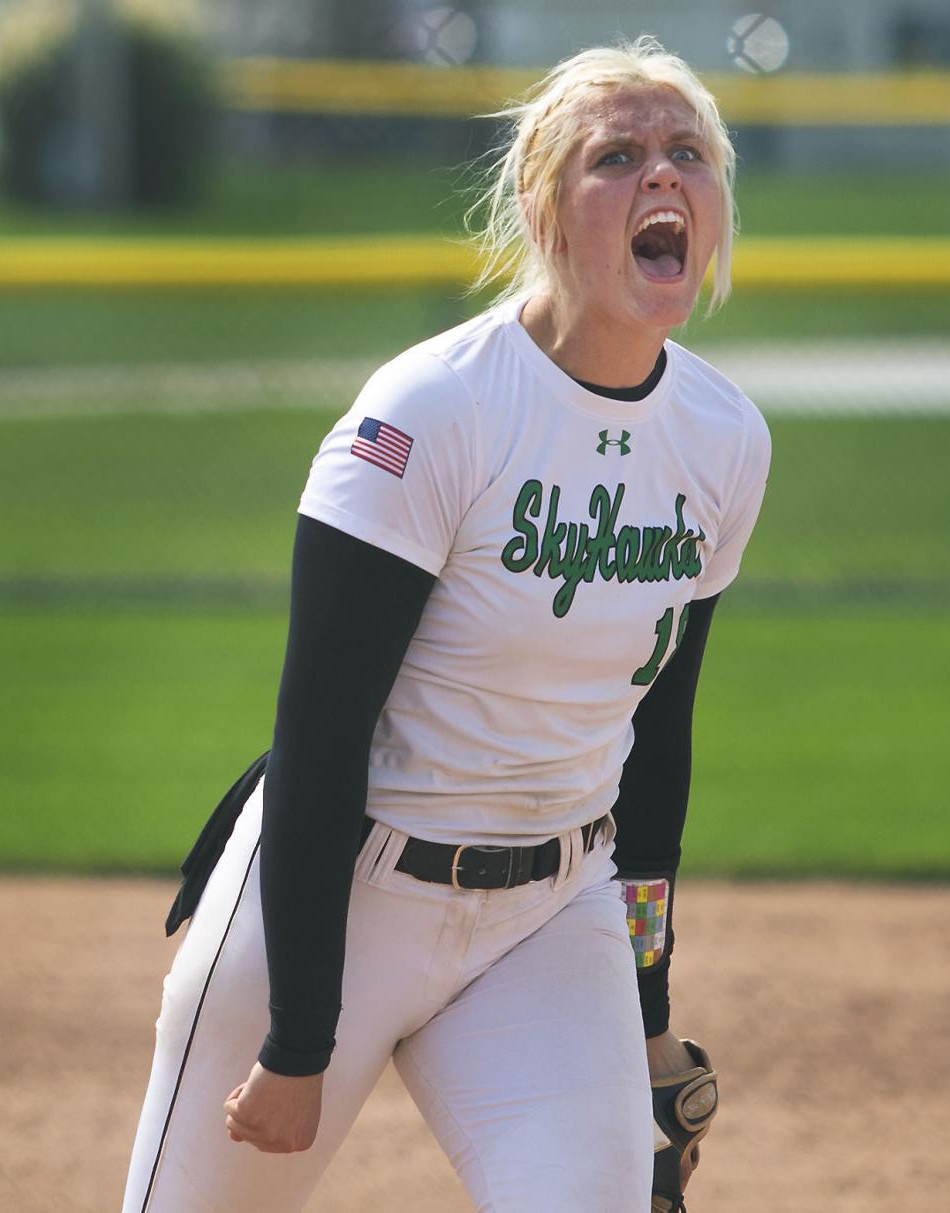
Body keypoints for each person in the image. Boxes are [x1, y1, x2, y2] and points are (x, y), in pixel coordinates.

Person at [121, 36, 771, 1213]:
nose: (662, 179)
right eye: (615, 156)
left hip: (550, 914)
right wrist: (298, 1036)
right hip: (345, 896)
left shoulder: (723, 442)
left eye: (688, 155)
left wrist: (644, 1010)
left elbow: (655, 740)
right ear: (543, 207)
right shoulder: (435, 411)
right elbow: (319, 729)